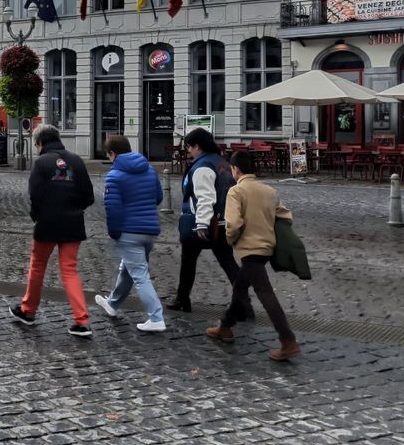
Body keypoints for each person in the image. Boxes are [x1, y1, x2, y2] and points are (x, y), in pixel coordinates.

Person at [206, 151, 301, 360]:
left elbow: (233, 224)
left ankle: (288, 339)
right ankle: (225, 326)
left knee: (265, 293)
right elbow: (285, 216)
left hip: (250, 249)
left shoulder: (236, 191)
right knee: (240, 287)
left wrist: (231, 240)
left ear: (235, 169)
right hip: (267, 248)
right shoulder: (269, 191)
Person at [10, 124, 95, 337]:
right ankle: (82, 320)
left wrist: (37, 216)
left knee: (37, 267)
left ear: (39, 143)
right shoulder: (77, 161)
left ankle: (28, 311)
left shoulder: (41, 163)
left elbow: (35, 195)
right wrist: (74, 209)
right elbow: (88, 196)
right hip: (73, 223)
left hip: (47, 223)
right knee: (69, 270)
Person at [167, 128, 252, 319]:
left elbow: (205, 198)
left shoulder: (203, 167)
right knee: (227, 262)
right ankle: (244, 303)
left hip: (204, 223)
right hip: (223, 221)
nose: (188, 151)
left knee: (188, 262)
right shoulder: (222, 163)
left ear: (197, 146)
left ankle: (182, 298)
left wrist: (202, 224)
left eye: (189, 147)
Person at [93, 135, 166, 332]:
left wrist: (114, 232)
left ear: (112, 154)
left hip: (128, 232)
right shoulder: (149, 169)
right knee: (127, 269)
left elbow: (113, 208)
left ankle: (156, 317)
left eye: (108, 155)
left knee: (140, 275)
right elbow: (158, 197)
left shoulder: (114, 176)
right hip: (149, 230)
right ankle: (113, 303)